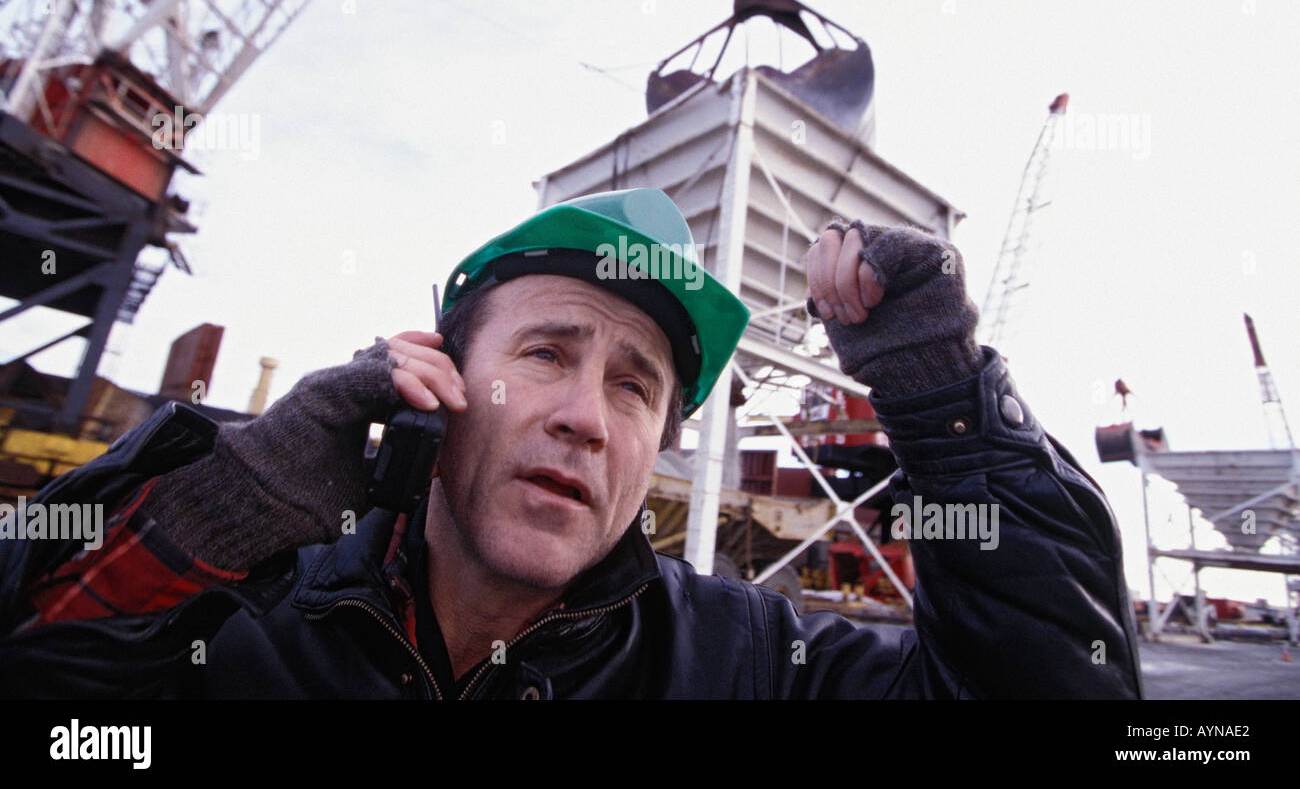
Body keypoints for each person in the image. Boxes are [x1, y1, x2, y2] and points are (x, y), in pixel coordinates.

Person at [0, 188, 1143, 698]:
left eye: (635, 386)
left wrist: (946, 410)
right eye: (545, 352)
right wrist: (213, 514)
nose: (587, 415)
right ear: (431, 376)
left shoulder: (745, 668)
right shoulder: (228, 616)